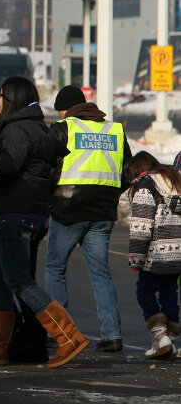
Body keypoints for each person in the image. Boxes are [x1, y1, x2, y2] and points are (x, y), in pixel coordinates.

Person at [0, 76, 89, 368]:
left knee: (19, 280)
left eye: (0, 96)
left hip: (16, 214)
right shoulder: (34, 126)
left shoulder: (18, 130)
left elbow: (5, 168)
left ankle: (68, 336)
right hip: (26, 212)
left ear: (13, 99)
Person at [45, 85, 130, 353]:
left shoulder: (63, 128)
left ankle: (60, 332)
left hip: (68, 210)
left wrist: (48, 198)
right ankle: (112, 334)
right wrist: (110, 195)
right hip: (102, 212)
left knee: (55, 268)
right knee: (100, 273)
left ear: (65, 109)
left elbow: (48, 168)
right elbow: (126, 171)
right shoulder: (114, 130)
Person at [126, 151, 181, 359]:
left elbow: (142, 227)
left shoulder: (145, 185)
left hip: (156, 254)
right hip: (178, 254)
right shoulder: (174, 180)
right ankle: (170, 340)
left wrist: (136, 258)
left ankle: (160, 335)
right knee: (169, 293)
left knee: (145, 292)